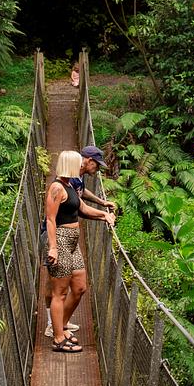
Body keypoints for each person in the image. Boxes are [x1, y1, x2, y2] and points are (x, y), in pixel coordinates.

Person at [45, 147, 115, 353]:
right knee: (60, 293)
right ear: (70, 165)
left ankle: (61, 327)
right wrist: (53, 248)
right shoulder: (57, 188)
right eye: (78, 163)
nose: (81, 166)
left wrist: (104, 215)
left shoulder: (70, 185)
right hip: (61, 241)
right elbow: (50, 220)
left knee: (80, 287)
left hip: (73, 243)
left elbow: (82, 208)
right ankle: (58, 339)